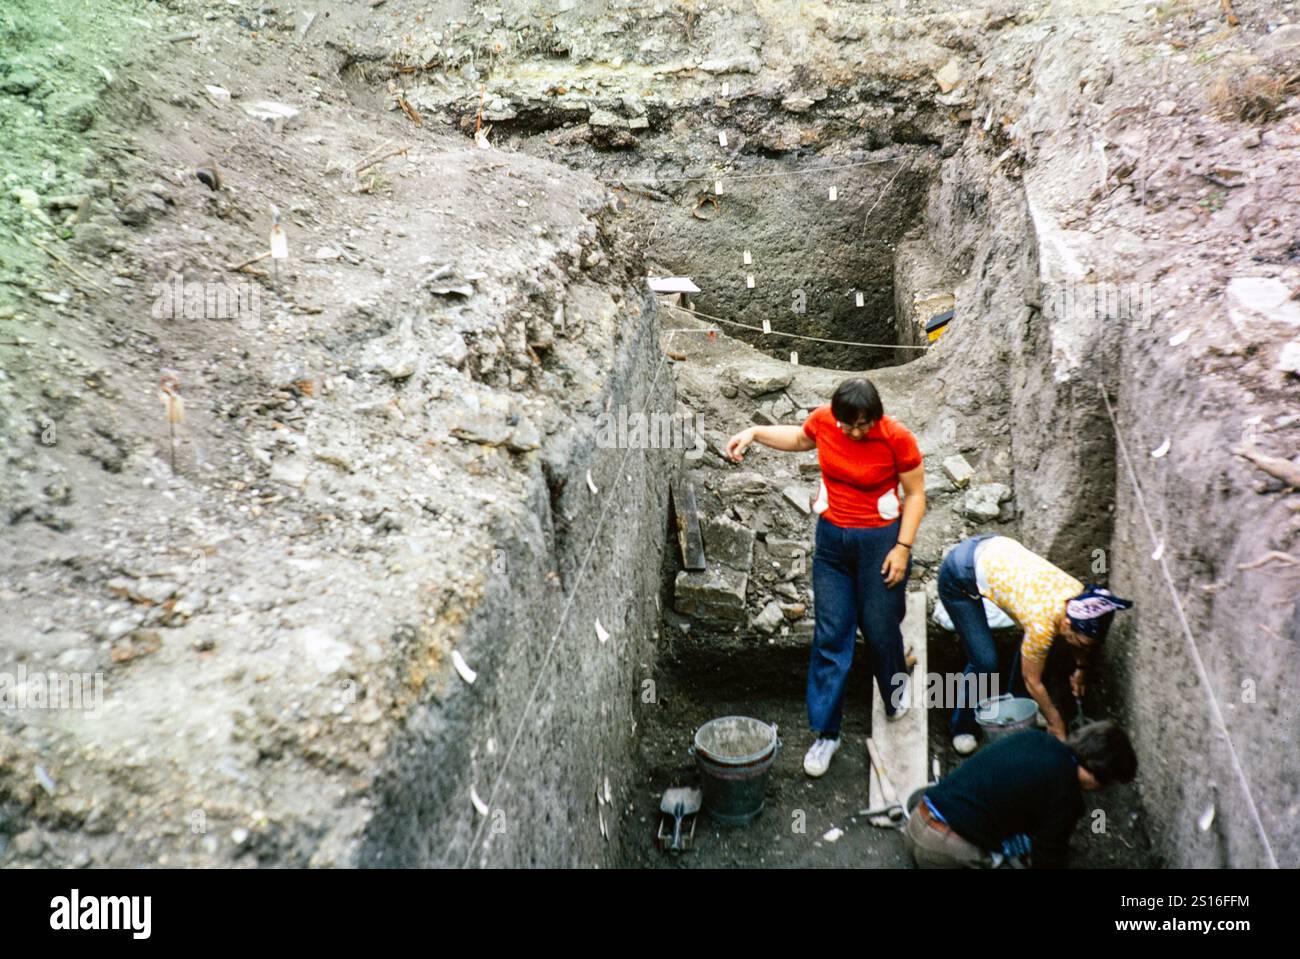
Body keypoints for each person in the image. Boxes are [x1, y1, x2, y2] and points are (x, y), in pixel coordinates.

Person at [725, 377, 925, 778]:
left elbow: (916, 494)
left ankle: (894, 692)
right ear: (836, 417)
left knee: (880, 627)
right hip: (832, 543)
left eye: (864, 424)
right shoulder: (824, 422)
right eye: (848, 425)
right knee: (832, 634)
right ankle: (827, 733)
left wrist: (902, 548)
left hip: (880, 542)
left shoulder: (896, 438)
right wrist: (755, 432)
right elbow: (801, 438)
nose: (856, 432)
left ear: (876, 416)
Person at [938, 534, 1133, 754]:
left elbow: (1083, 642)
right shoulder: (1042, 625)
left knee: (1040, 650)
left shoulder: (1078, 597)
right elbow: (1032, 680)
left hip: (996, 554)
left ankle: (1021, 706)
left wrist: (1081, 668)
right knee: (985, 661)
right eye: (1080, 641)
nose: (1083, 646)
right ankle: (961, 727)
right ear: (1067, 623)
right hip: (958, 574)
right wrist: (1056, 722)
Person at [903, 721, 1137, 869]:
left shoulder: (1036, 738)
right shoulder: (1065, 792)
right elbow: (1048, 860)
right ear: (1099, 773)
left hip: (916, 823)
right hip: (946, 852)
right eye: (1107, 783)